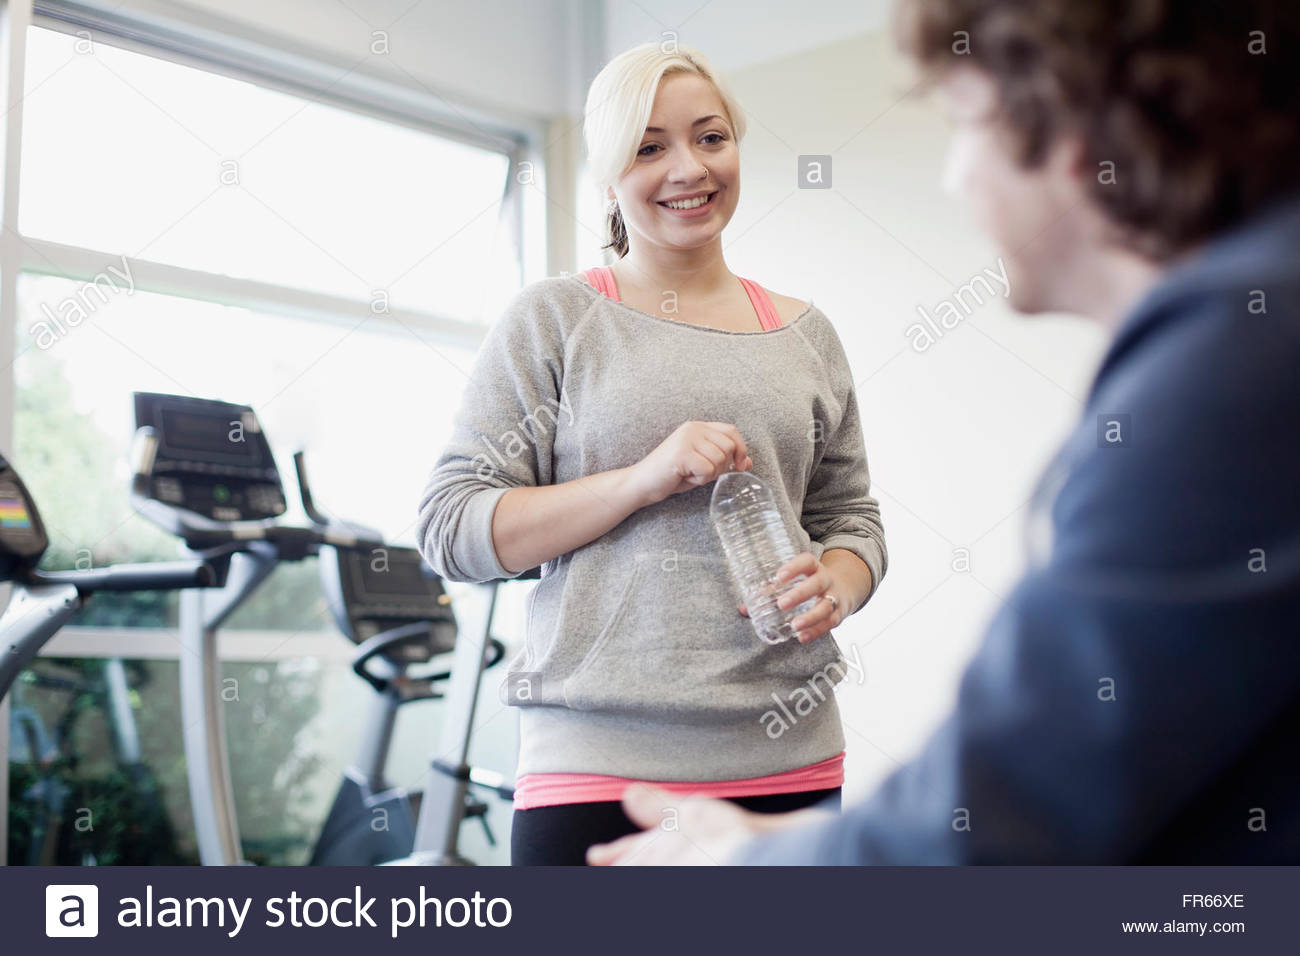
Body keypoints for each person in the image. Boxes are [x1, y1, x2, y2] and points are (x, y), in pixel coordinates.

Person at [588, 0, 1300, 866]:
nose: (955, 177)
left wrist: (739, 865)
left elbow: (1010, 814)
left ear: (1074, 129)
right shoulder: (1250, 324)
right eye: (650, 146)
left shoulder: (1229, 365)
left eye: (965, 124)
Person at [417, 43, 888, 866]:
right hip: (598, 766)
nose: (688, 168)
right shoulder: (556, 321)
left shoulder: (806, 335)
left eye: (711, 137)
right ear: (609, 175)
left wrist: (838, 583)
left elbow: (851, 519)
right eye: (649, 146)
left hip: (789, 757)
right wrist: (641, 480)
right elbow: (452, 529)